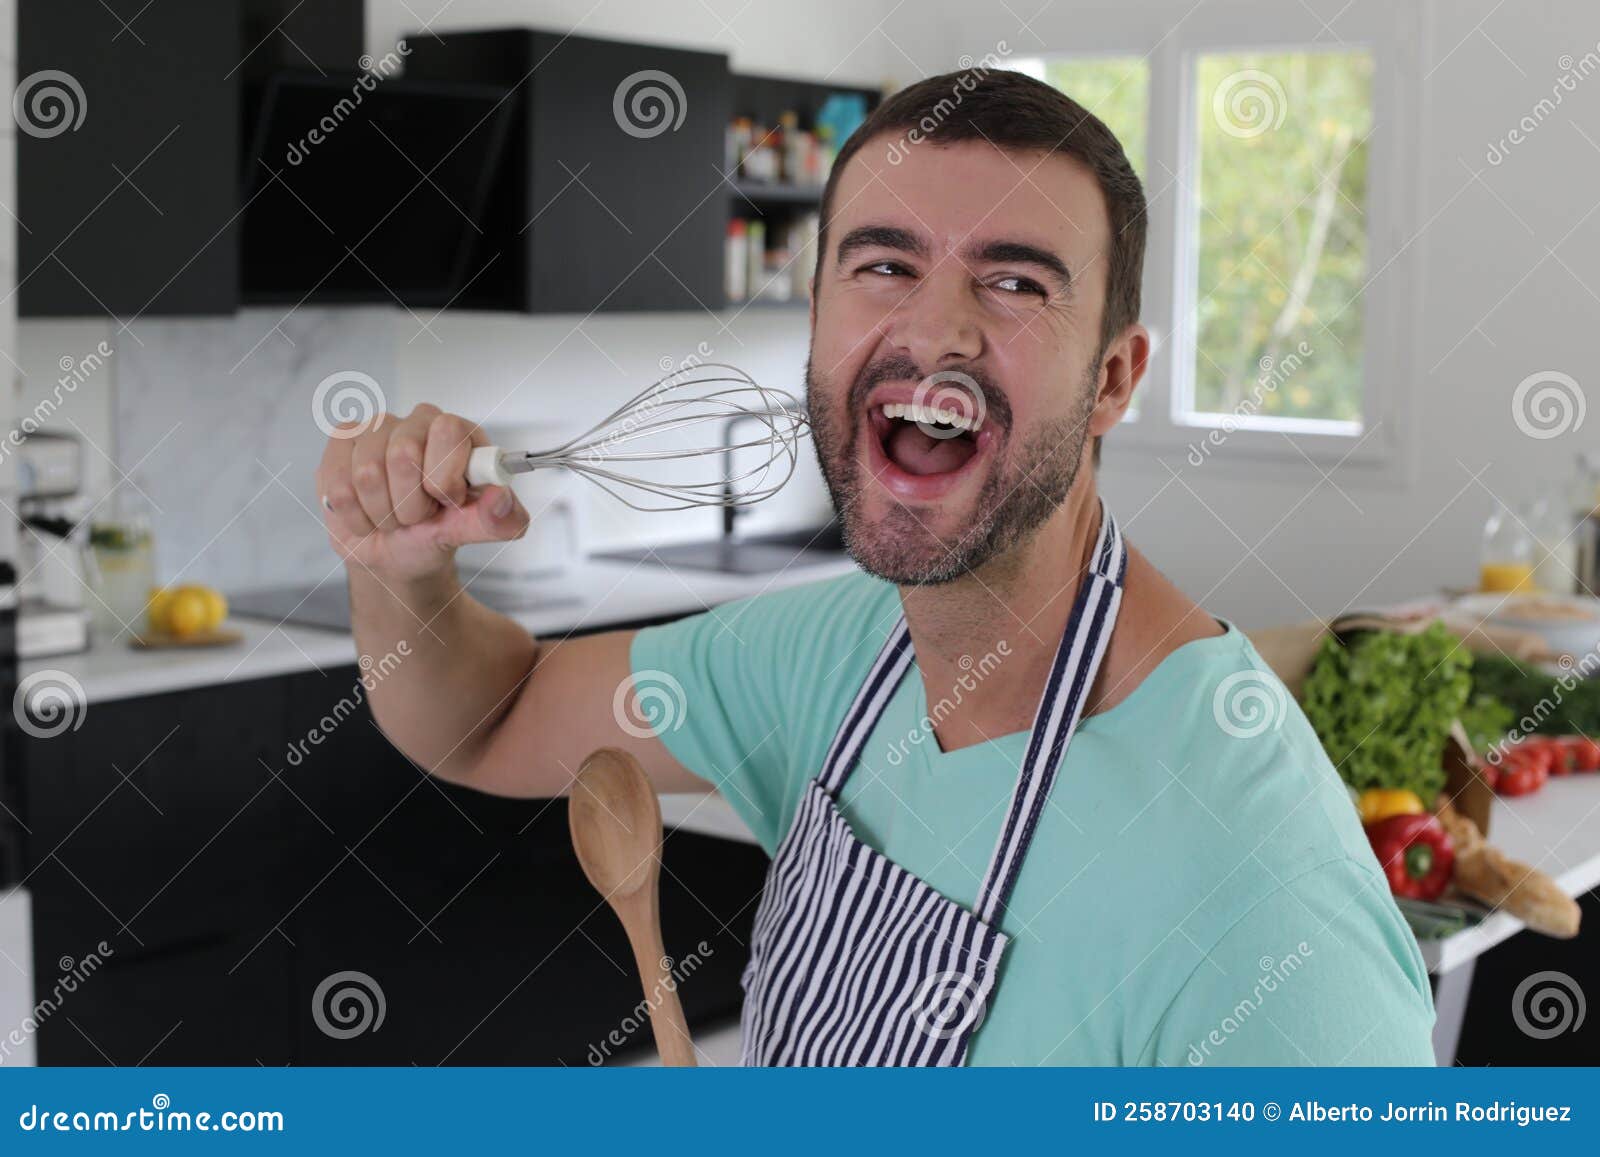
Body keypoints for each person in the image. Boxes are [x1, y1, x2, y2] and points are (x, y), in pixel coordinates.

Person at [316, 69, 1436, 1066]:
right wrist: (403, 570)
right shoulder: (840, 655)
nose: (933, 330)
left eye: (1015, 282)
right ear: (816, 320)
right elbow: (489, 717)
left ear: (1112, 379)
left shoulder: (1267, 898)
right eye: (885, 264)